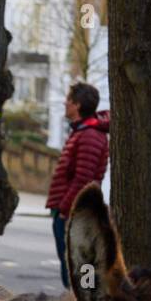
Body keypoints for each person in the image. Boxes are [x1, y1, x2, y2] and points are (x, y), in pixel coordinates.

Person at [46, 82, 110, 288]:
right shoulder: (83, 132)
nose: (65, 103)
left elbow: (84, 178)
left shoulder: (90, 135)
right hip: (72, 211)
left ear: (78, 105)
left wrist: (65, 210)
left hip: (74, 213)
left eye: (69, 100)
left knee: (76, 268)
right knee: (74, 268)